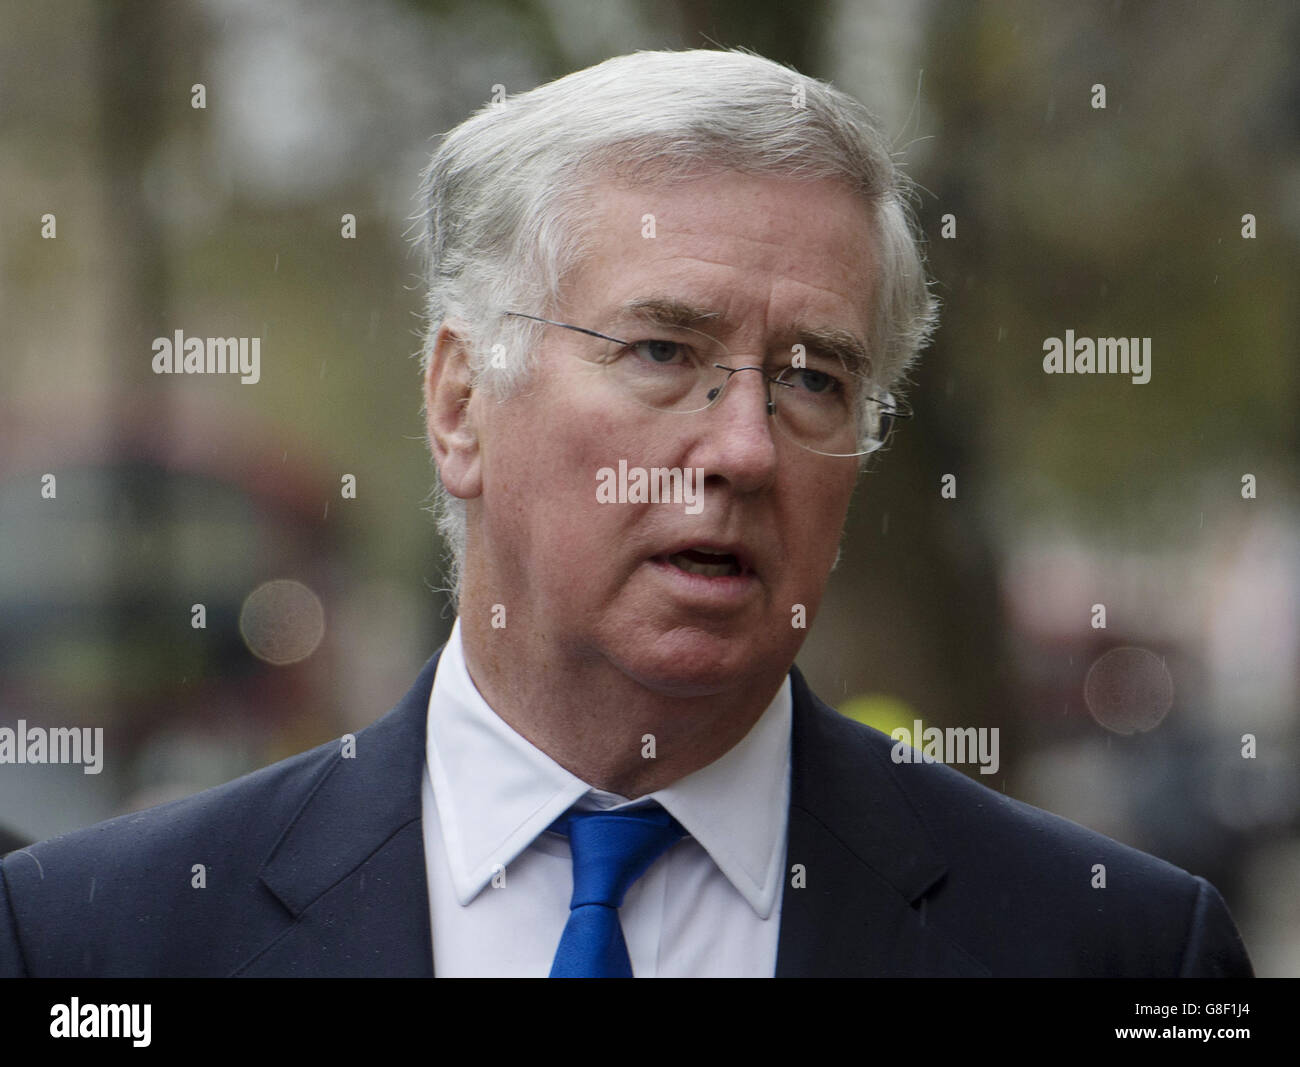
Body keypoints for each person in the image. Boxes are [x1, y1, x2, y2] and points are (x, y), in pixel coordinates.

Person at [0, 49, 1252, 977]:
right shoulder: (93, 944)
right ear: (458, 402)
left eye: (815, 376)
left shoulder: (1119, 949)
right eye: (661, 350)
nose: (747, 445)